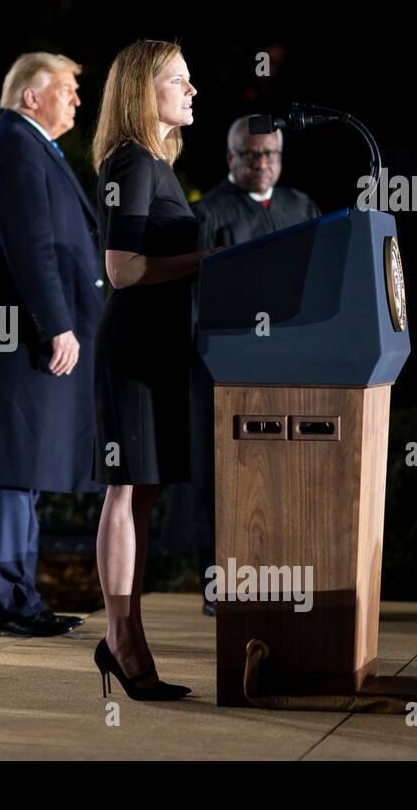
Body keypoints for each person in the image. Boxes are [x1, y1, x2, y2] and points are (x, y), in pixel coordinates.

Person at [0, 52, 104, 638]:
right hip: (17, 343)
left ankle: (19, 601)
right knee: (13, 471)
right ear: (29, 95)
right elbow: (29, 244)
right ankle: (8, 606)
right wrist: (55, 324)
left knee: (23, 471)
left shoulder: (26, 144)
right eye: (65, 88)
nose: (76, 98)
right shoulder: (15, 143)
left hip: (20, 342)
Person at [89, 39, 221, 699]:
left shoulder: (149, 165)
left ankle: (125, 637)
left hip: (157, 347)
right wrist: (206, 262)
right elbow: (121, 268)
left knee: (140, 492)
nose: (193, 91)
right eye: (180, 80)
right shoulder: (134, 162)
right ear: (146, 91)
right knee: (125, 489)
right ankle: (122, 641)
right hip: (135, 349)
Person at [167, 116, 323, 615]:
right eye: (251, 154)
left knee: (280, 472)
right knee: (218, 474)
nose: (262, 163)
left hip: (286, 366)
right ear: (231, 157)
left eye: (270, 154)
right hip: (220, 369)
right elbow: (191, 298)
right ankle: (218, 586)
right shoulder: (207, 214)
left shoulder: (302, 208)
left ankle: (281, 576)